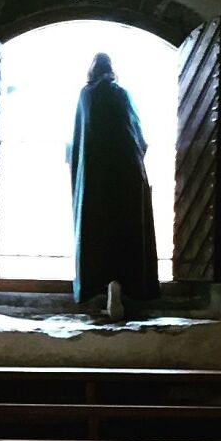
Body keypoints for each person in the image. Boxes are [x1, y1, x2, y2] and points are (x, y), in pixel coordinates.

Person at [70, 52, 160, 305]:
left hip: (94, 180)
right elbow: (138, 137)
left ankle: (100, 287)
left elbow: (79, 142)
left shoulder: (85, 95)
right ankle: (128, 287)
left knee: (96, 230)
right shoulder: (121, 94)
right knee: (127, 229)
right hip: (126, 174)